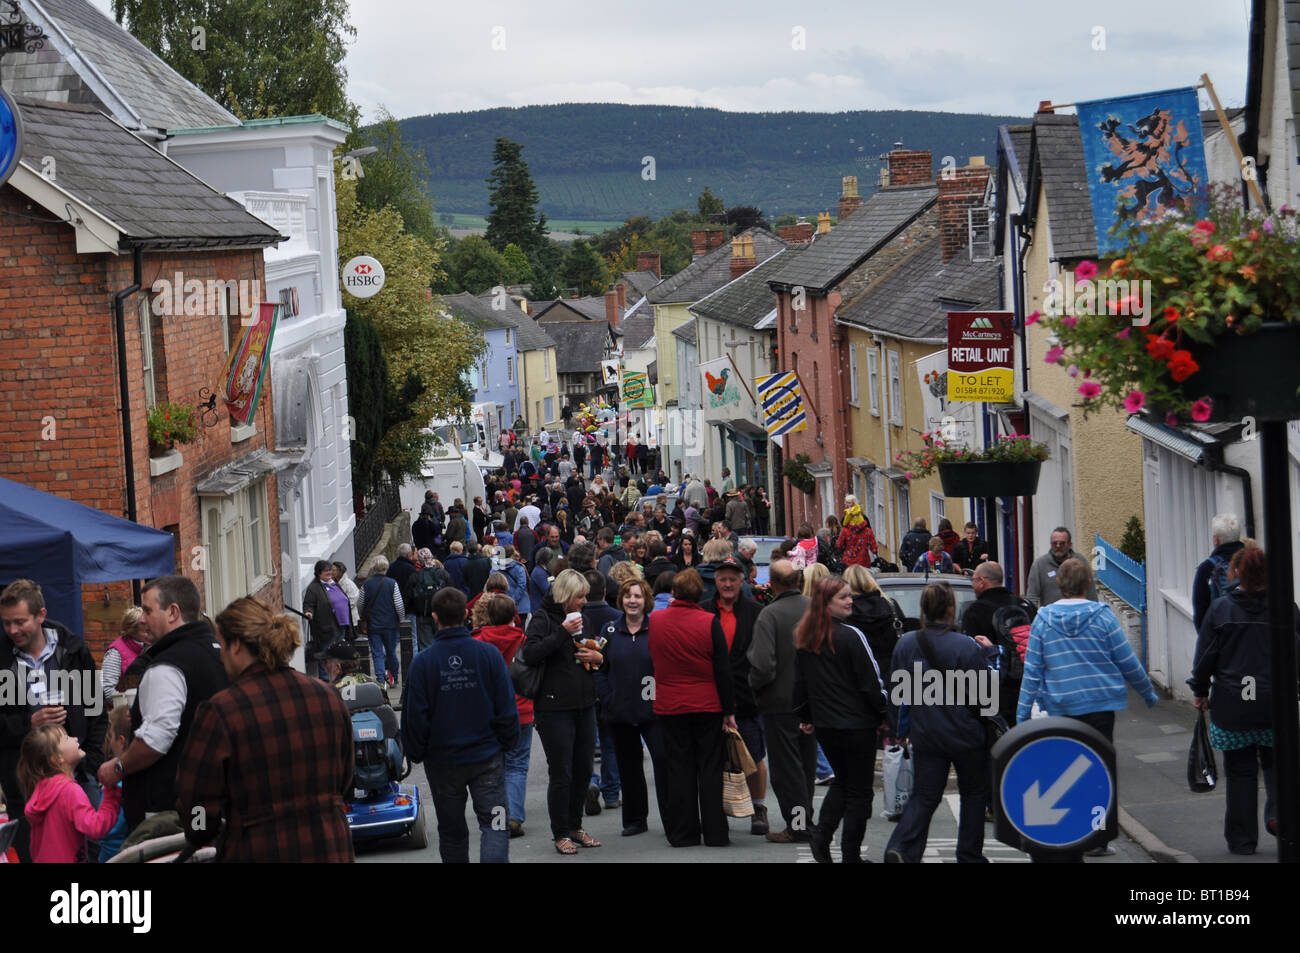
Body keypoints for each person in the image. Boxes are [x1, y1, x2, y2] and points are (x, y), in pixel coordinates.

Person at [176, 597, 354, 862]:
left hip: (259, 849)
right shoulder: (328, 696)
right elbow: (345, 780)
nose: (221, 655)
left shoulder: (221, 711)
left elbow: (198, 801)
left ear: (236, 645)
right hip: (329, 847)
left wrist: (201, 833)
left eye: (222, 647)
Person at [1017, 557, 1157, 857]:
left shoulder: (1043, 619)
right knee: (1100, 771)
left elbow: (1033, 669)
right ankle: (1098, 839)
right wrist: (1147, 692)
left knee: (1067, 770)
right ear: (1088, 584)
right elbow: (1126, 659)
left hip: (1062, 708)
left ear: (1059, 584)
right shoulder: (1103, 616)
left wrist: (1022, 713)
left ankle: (1072, 833)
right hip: (1100, 706)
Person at [97, 576, 228, 833]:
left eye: (147, 610)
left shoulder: (168, 665)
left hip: (170, 811)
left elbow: (157, 737)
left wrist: (118, 766)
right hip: (214, 800)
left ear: (173, 612)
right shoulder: (218, 651)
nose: (142, 618)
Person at [1189, 547, 1298, 855]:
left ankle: (1242, 840)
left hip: (1233, 705)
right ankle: (1279, 817)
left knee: (1240, 772)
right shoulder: (1285, 609)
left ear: (1236, 573)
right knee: (1279, 768)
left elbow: (1206, 657)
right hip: (1275, 705)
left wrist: (1199, 690)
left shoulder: (1221, 610)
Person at [884, 582, 997, 864]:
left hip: (927, 733)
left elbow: (899, 695)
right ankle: (969, 855)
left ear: (923, 609)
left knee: (924, 796)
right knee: (973, 794)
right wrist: (993, 655)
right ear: (950, 608)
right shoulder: (967, 647)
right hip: (966, 734)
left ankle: (902, 848)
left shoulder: (907, 643)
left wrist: (900, 731)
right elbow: (987, 696)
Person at [403, 588, 518, 863]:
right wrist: (507, 743)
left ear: (434, 617)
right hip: (487, 755)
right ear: (466, 614)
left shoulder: (423, 663)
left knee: (452, 831)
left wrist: (417, 751)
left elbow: (414, 716)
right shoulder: (488, 655)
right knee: (496, 824)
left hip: (443, 761)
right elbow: (506, 705)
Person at [1, 580, 109, 863]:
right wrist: (29, 723)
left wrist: (92, 763)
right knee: (34, 853)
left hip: (78, 774)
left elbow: (96, 710)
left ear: (40, 615)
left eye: (20, 621)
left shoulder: (73, 651)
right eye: (6, 623)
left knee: (88, 850)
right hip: (25, 781)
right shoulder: (1, 660)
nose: (12, 630)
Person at [794, 576, 888, 863]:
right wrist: (885, 714)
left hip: (826, 726)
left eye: (849, 596)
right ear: (826, 604)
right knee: (859, 792)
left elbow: (801, 685)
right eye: (843, 598)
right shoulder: (851, 636)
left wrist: (807, 716)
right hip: (857, 725)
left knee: (843, 783)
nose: (850, 601)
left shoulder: (806, 637)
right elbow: (871, 683)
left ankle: (822, 837)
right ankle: (850, 855)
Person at [648, 569, 736, 847]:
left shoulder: (657, 620)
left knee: (679, 768)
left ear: (674, 593)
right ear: (701, 594)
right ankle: (715, 832)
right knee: (710, 769)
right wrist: (729, 710)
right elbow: (723, 669)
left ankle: (683, 832)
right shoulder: (710, 622)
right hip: (707, 703)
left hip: (671, 704)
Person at [521, 569, 605, 855]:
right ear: (566, 596)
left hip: (584, 703)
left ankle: (575, 825)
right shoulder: (543, 619)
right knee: (562, 772)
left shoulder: (585, 619)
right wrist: (562, 633)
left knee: (583, 770)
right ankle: (560, 833)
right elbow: (530, 654)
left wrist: (597, 656)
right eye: (580, 597)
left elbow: (590, 652)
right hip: (554, 707)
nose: (584, 601)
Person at [702, 556, 769, 835]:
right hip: (711, 696)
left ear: (742, 581)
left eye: (732, 579)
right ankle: (717, 812)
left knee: (753, 756)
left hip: (747, 696)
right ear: (716, 582)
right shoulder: (704, 611)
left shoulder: (756, 611)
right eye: (722, 579)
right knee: (714, 758)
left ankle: (759, 808)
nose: (727, 584)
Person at [598, 578, 667, 836]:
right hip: (621, 711)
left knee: (663, 763)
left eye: (637, 596)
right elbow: (600, 669)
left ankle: (672, 817)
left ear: (646, 599)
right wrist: (607, 696)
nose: (632, 601)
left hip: (655, 711)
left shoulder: (657, 628)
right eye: (628, 596)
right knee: (629, 767)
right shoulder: (610, 631)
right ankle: (635, 820)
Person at [472, 593, 533, 839]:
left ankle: (498, 816)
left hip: (491, 711)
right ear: (513, 615)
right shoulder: (523, 640)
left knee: (495, 766)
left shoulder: (478, 641)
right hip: (522, 708)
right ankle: (514, 816)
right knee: (518, 764)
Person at [18, 725, 122, 863]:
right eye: (67, 738)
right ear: (57, 759)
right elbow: (95, 828)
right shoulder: (69, 791)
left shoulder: (42, 789)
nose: (75, 739)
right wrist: (111, 792)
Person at [958, 562, 1030, 725]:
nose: (972, 584)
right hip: (1024, 689)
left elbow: (971, 655)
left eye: (974, 580)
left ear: (983, 581)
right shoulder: (1023, 606)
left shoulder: (975, 612)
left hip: (991, 692)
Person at [843, 564, 904, 676]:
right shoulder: (890, 605)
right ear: (870, 581)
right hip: (893, 671)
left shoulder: (846, 611)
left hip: (862, 673)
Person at [1192, 513, 1246, 631]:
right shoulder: (1254, 562)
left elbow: (1201, 614)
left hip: (1222, 640)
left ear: (1216, 539)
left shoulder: (1207, 569)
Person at [359, 557, 404, 687]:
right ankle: (394, 677)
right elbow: (398, 604)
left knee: (377, 653)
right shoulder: (392, 583)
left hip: (373, 624)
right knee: (391, 652)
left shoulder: (366, 585)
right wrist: (400, 620)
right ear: (386, 567)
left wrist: (363, 617)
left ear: (373, 568)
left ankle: (380, 679)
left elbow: (360, 604)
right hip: (390, 624)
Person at [1026, 527, 1097, 607]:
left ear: (1070, 545)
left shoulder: (1080, 562)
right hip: (1052, 616)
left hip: (1079, 615)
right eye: (1054, 543)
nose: (1058, 546)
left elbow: (1091, 592)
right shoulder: (1039, 565)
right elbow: (1032, 597)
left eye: (1062, 543)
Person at [302, 560, 343, 679]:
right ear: (319, 573)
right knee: (325, 656)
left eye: (330, 570)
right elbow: (308, 604)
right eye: (326, 570)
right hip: (324, 629)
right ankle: (325, 681)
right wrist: (309, 612)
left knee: (337, 656)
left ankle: (336, 679)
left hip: (338, 626)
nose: (329, 572)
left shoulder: (333, 583)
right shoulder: (313, 588)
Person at [101, 607, 148, 700]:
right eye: (144, 628)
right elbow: (107, 690)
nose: (149, 631)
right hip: (124, 711)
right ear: (132, 629)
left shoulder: (150, 646)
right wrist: (131, 705)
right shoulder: (115, 652)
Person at [835, 496, 878, 568]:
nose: (846, 504)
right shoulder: (867, 531)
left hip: (848, 563)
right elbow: (874, 547)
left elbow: (839, 545)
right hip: (864, 562)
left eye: (848, 502)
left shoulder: (845, 531)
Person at [332, 562, 362, 634]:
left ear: (340, 571)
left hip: (350, 619)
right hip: (340, 619)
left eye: (334, 570)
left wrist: (338, 609)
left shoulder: (348, 584)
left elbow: (352, 601)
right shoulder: (334, 583)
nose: (331, 572)